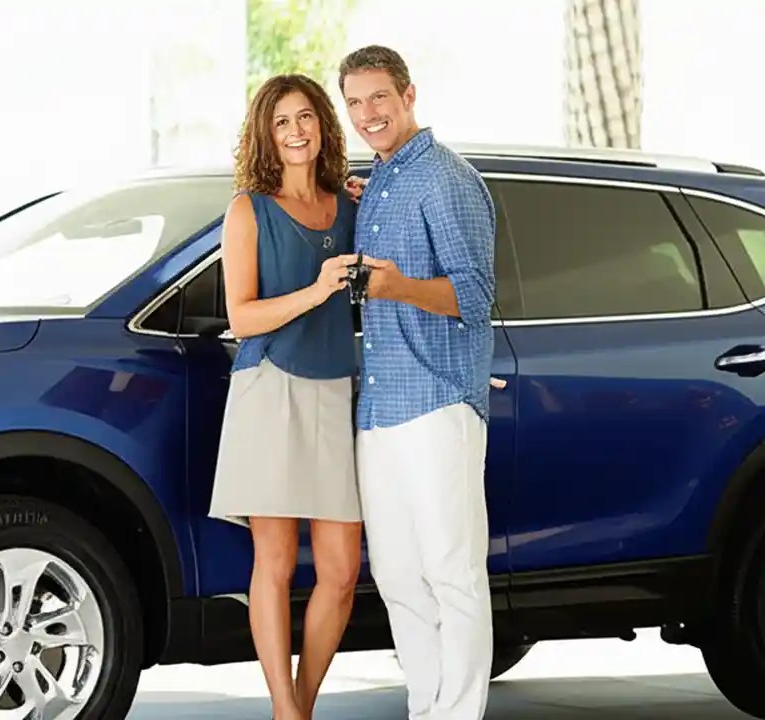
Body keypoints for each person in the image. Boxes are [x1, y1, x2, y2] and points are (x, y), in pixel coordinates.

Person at [336, 45, 497, 719]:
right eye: (355, 103)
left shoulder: (444, 178)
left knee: (452, 573)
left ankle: (457, 712)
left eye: (379, 98)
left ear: (408, 95)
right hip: (380, 410)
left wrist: (398, 285)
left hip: (437, 403)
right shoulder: (382, 181)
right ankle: (426, 708)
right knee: (399, 576)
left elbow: (476, 295)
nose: (368, 114)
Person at [207, 73, 364, 720]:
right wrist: (318, 289)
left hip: (336, 390)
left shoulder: (352, 205)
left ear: (323, 124)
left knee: (342, 572)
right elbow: (241, 318)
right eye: (282, 122)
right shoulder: (249, 210)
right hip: (270, 388)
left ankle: (299, 703)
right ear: (265, 135)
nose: (296, 131)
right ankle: (286, 711)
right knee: (273, 563)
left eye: (306, 117)